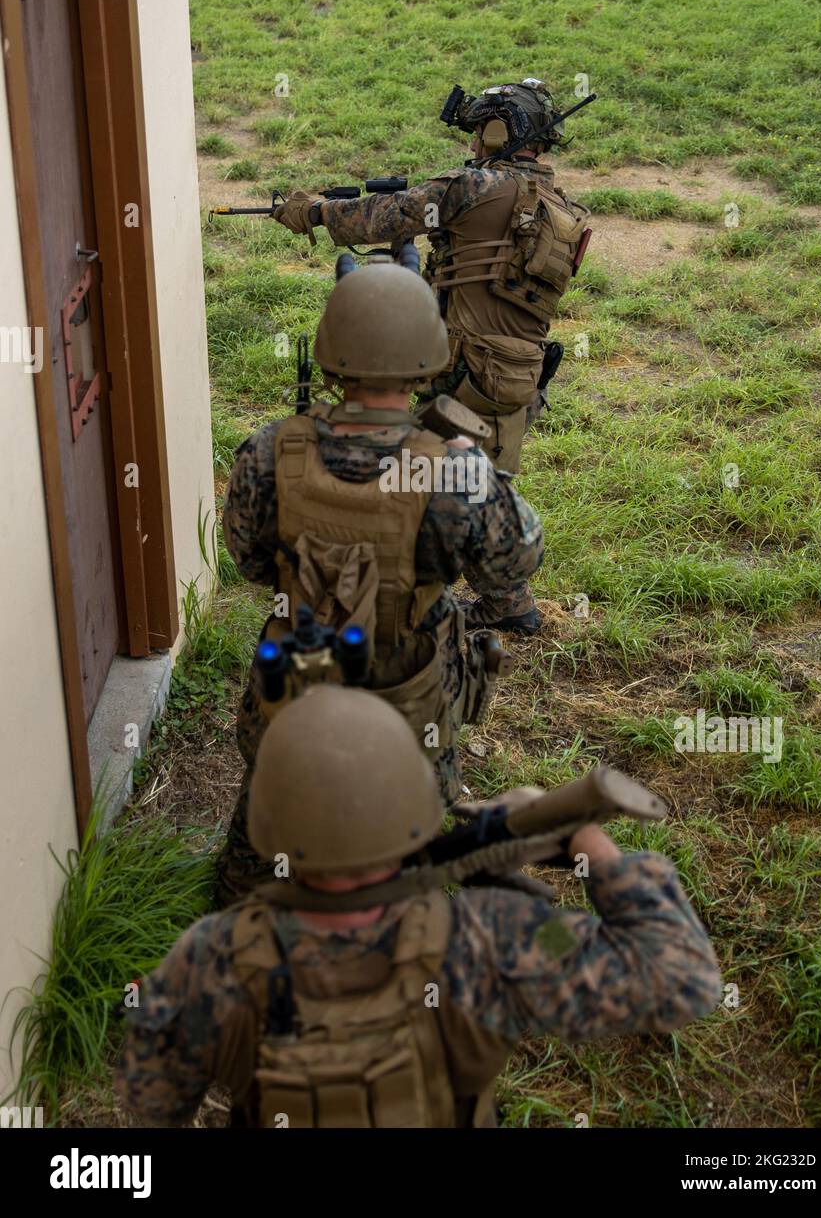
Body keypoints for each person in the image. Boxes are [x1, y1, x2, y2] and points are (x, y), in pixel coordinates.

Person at [115, 688, 722, 1128]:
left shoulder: (208, 958)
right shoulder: (495, 943)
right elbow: (681, 978)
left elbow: (153, 1102)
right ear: (414, 802)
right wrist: (585, 839)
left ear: (267, 821)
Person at [216, 255, 545, 905]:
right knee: (411, 835)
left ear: (331, 355)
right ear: (429, 357)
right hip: (408, 697)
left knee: (263, 837)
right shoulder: (451, 472)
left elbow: (249, 561)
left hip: (293, 692)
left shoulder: (269, 450)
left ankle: (245, 926)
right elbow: (515, 564)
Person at [271, 77, 591, 497]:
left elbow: (389, 214)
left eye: (479, 132)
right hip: (519, 376)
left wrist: (316, 212)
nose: (475, 143)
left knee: (425, 501)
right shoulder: (562, 207)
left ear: (498, 132)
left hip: (463, 373)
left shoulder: (475, 187)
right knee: (484, 495)